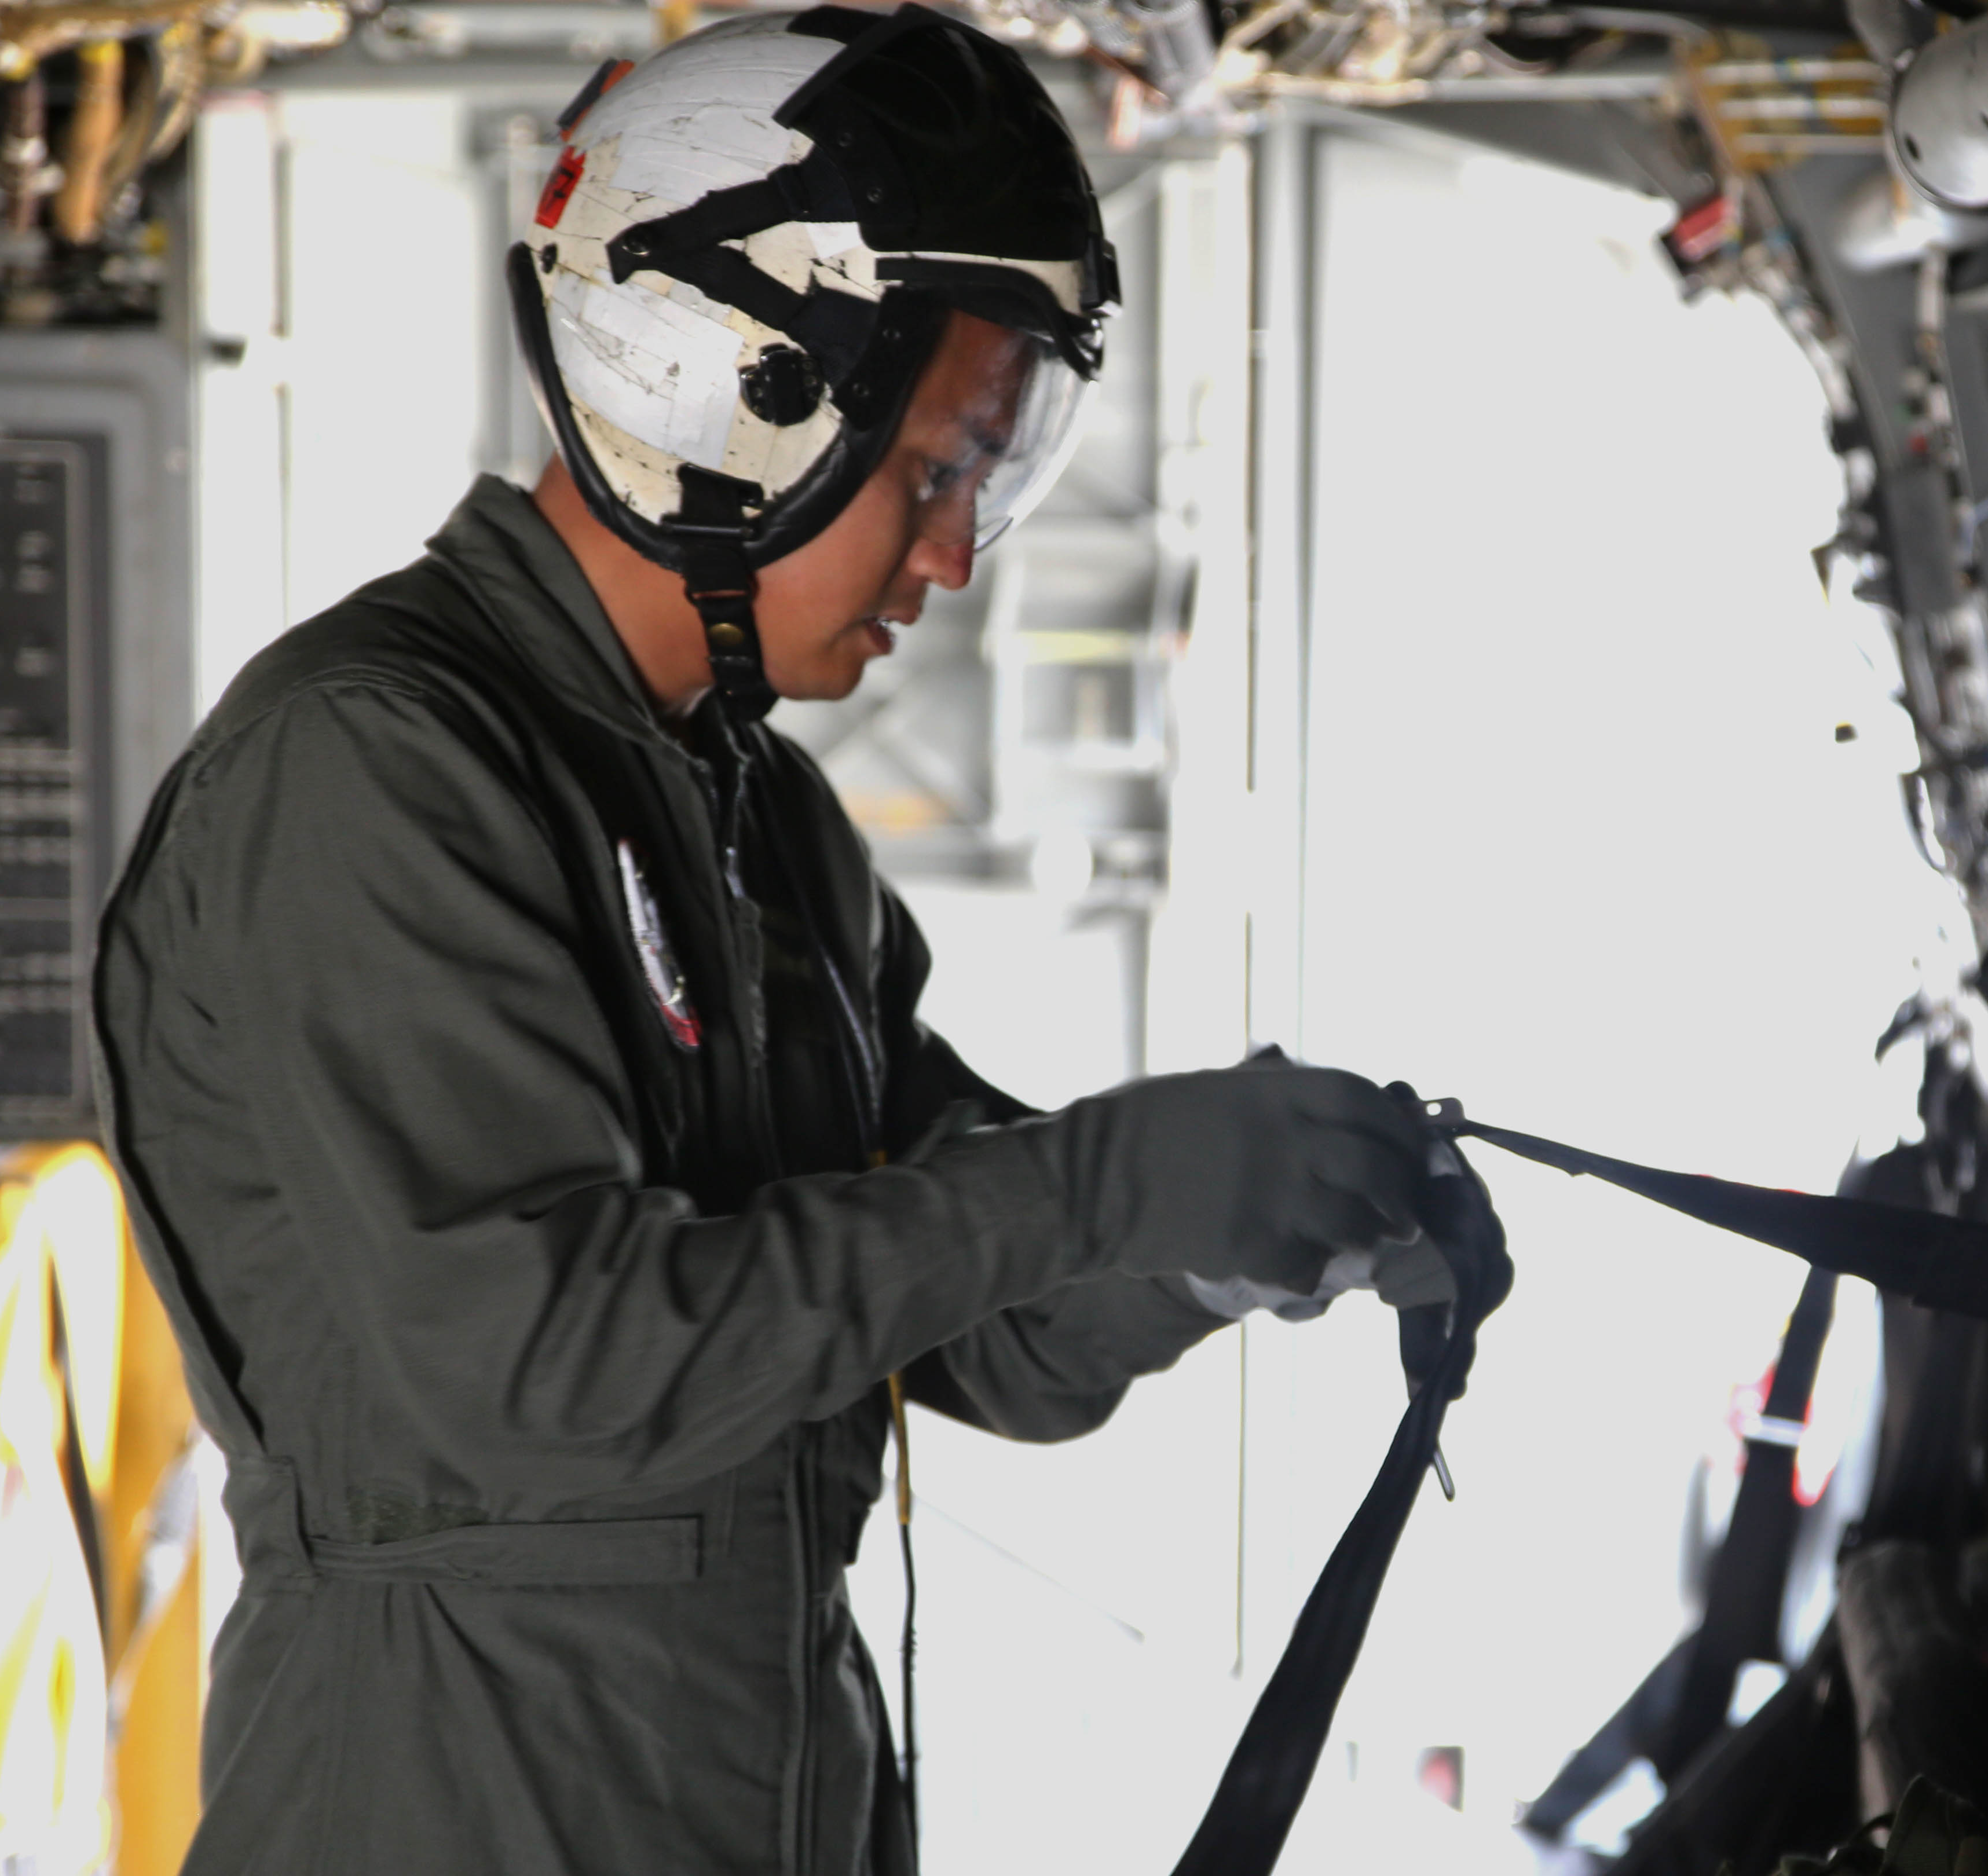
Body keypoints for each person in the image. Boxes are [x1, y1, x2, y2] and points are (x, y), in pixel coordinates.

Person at [91, 10, 1447, 1872]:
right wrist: (1095, 1188)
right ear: (732, 392)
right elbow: (550, 1369)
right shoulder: (375, 765)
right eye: (942, 470)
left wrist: (1245, 1219)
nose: (958, 556)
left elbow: (993, 1335)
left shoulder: (765, 826)